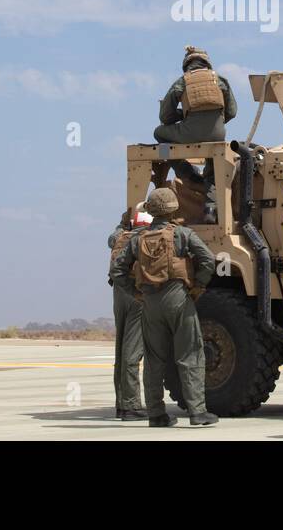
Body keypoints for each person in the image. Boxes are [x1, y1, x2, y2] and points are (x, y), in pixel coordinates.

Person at [111, 187, 219, 428]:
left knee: (153, 360)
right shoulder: (182, 234)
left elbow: (117, 270)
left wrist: (136, 293)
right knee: (190, 353)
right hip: (178, 298)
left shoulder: (137, 239)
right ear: (173, 209)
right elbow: (208, 260)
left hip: (149, 302)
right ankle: (197, 412)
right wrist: (198, 286)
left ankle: (156, 414)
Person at [108, 203, 153, 420]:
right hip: (138, 295)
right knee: (133, 352)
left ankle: (121, 403)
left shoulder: (119, 236)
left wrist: (123, 221)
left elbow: (113, 235)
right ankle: (132, 405)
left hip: (119, 294)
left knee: (121, 350)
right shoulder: (147, 237)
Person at [154, 46, 237, 144]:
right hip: (217, 135)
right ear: (207, 62)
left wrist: (182, 114)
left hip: (189, 135)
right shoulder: (220, 80)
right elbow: (232, 112)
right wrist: (215, 122)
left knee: (158, 132)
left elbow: (165, 117)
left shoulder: (181, 82)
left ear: (186, 64)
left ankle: (173, 159)